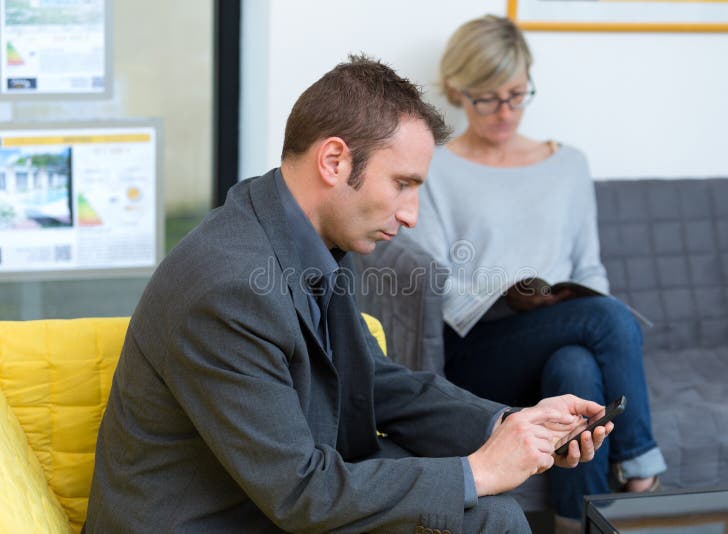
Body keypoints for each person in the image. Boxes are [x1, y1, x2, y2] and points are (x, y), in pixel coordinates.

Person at [84, 55, 612, 533]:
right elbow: (299, 493)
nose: (410, 215)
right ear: (334, 161)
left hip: (271, 496)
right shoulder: (228, 287)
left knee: (487, 513)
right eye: (402, 184)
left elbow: (373, 381)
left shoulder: (298, 233)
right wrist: (479, 469)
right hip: (221, 518)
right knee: (487, 515)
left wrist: (511, 426)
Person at [403, 15, 667, 529]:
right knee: (610, 320)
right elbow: (434, 282)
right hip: (479, 348)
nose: (504, 112)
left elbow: (590, 268)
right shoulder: (434, 165)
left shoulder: (567, 165)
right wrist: (505, 296)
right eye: (486, 98)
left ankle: (579, 525)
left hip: (564, 333)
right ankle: (644, 478)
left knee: (576, 368)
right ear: (457, 90)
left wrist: (570, 305)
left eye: (516, 95)